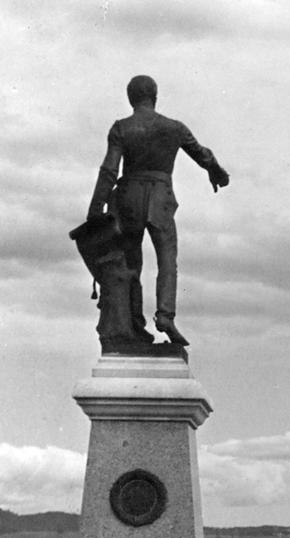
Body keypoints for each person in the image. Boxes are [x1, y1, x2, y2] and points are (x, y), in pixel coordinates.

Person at [87, 75, 230, 346]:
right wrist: (217, 172)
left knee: (131, 263)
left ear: (131, 99)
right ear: (155, 96)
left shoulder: (121, 128)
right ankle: (166, 316)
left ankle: (134, 323)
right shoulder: (174, 128)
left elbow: (109, 169)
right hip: (161, 198)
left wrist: (95, 208)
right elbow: (202, 155)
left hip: (129, 196)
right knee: (167, 259)